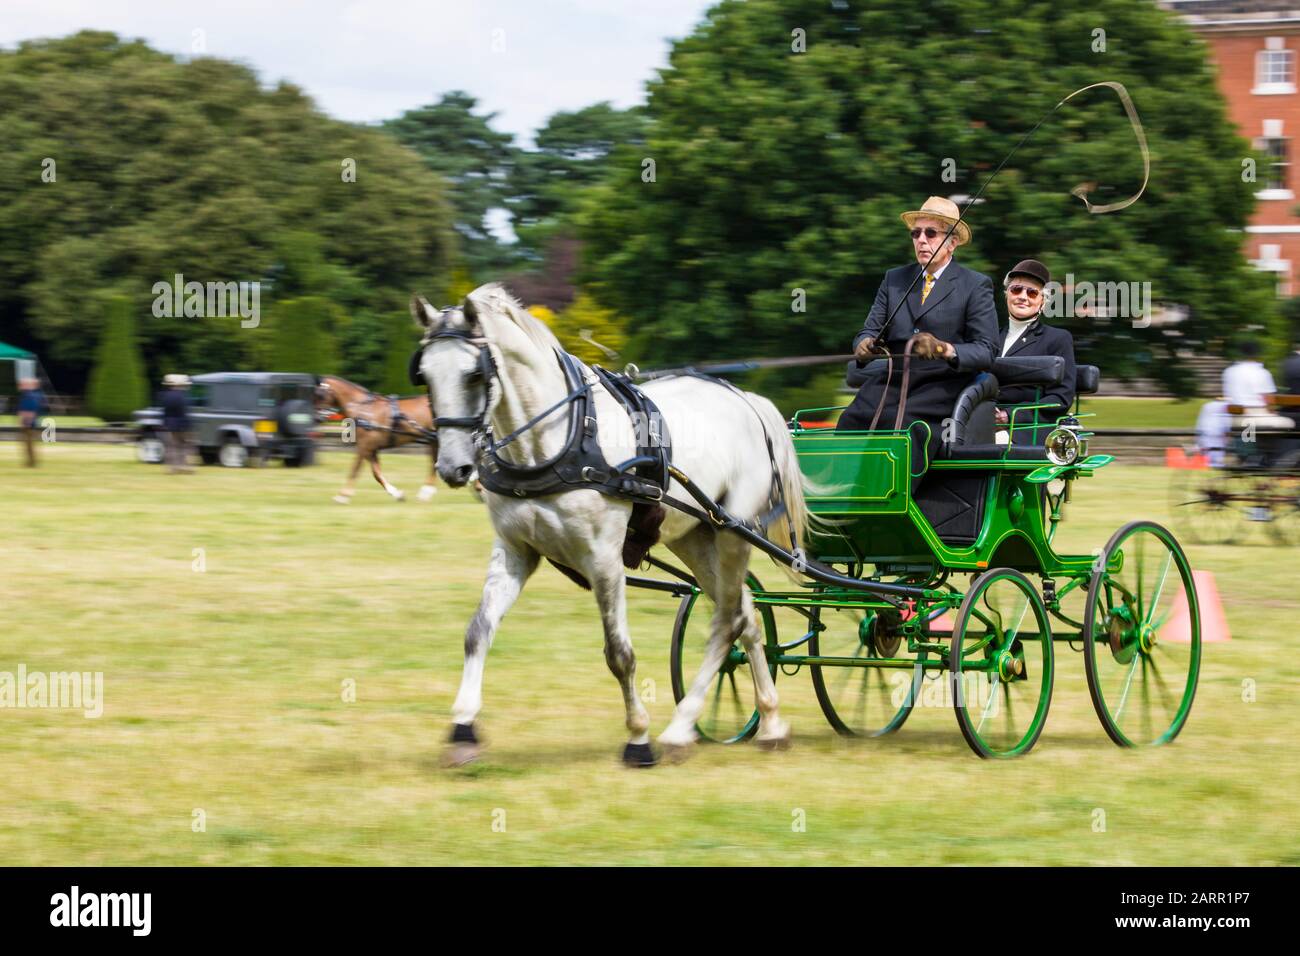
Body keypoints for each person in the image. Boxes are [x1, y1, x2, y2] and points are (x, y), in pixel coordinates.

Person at [837, 196, 999, 469]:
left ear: (952, 242)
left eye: (931, 233)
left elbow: (986, 350)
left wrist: (944, 349)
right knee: (852, 417)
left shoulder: (975, 285)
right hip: (893, 379)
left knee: (904, 425)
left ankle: (890, 501)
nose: (921, 240)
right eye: (916, 233)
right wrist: (864, 344)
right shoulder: (894, 279)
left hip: (942, 385)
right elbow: (869, 330)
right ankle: (840, 496)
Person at [992, 259, 1076, 445]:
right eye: (1016, 290)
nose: (1023, 297)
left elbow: (1061, 397)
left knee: (987, 443)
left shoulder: (1057, 339)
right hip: (980, 420)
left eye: (1032, 292)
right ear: (1007, 295)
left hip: (1026, 428)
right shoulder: (989, 338)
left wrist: (1010, 416)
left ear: (1043, 302)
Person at [1222, 340, 1293, 432]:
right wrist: (1272, 412)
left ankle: (1247, 442)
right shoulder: (1262, 372)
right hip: (1252, 419)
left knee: (1249, 431)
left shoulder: (1229, 371)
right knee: (1288, 422)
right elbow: (1269, 401)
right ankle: (1260, 444)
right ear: (1257, 354)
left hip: (1233, 418)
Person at [159, 373, 194, 473]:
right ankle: (184, 467)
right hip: (182, 425)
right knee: (184, 446)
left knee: (171, 446)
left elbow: (164, 412)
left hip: (169, 425)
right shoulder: (182, 396)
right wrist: (188, 426)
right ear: (179, 384)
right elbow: (184, 412)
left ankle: (172, 468)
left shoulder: (165, 395)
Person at [16, 377, 46, 467]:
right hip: (29, 424)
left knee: (29, 445)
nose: (20, 386)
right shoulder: (26, 395)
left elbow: (31, 411)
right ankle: (30, 462)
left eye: (22, 384)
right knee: (28, 445)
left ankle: (32, 463)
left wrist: (26, 423)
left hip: (29, 425)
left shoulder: (29, 396)